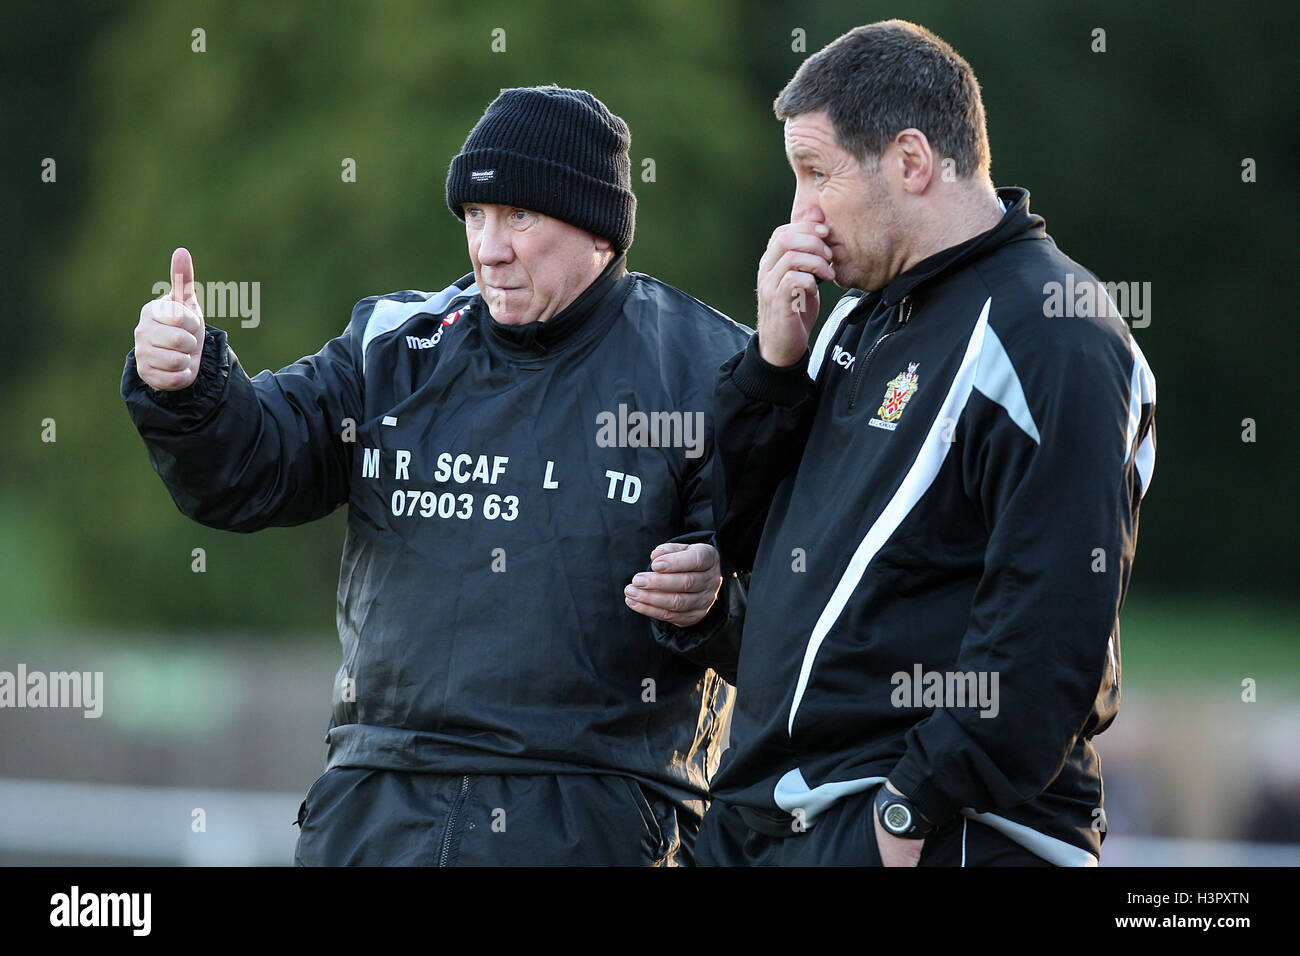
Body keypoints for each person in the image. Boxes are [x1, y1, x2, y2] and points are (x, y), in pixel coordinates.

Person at [122, 86, 751, 866]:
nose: (489, 247)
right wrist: (188, 389)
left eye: (520, 216)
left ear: (599, 229)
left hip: (589, 817)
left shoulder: (711, 371)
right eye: (474, 216)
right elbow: (254, 465)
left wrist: (713, 603)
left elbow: (793, 619)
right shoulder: (394, 343)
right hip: (376, 807)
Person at [696, 20, 1157, 867]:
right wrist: (772, 369)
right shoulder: (855, 320)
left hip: (932, 829)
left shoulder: (1052, 330)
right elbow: (737, 536)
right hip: (767, 818)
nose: (797, 214)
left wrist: (914, 808)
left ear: (911, 162)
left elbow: (1053, 619)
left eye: (815, 174)